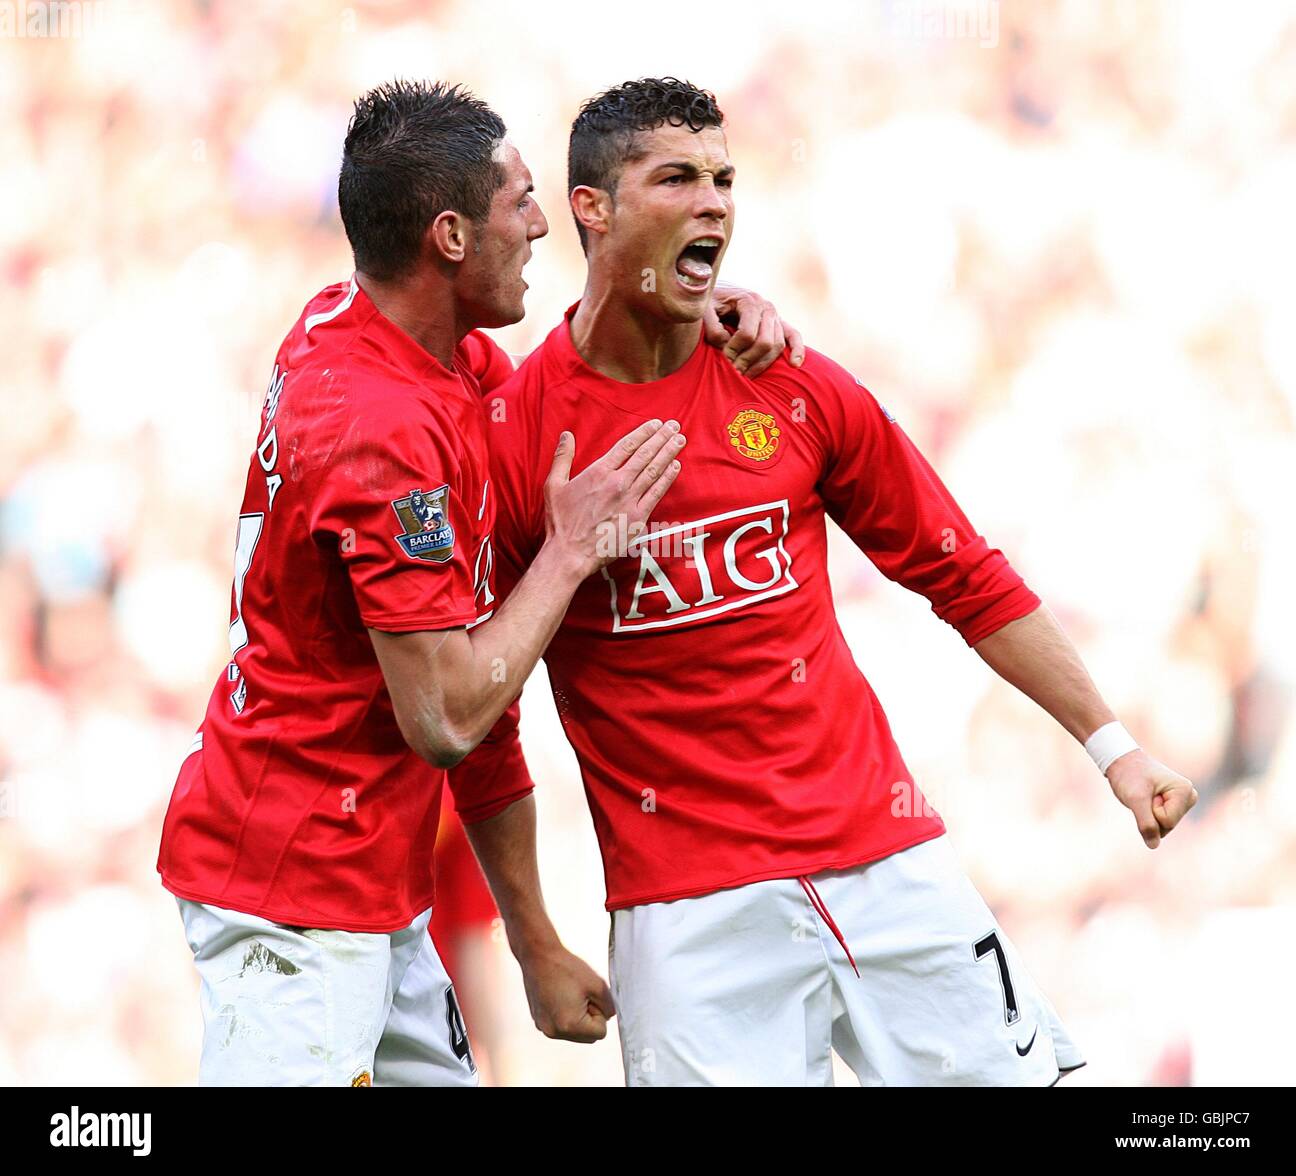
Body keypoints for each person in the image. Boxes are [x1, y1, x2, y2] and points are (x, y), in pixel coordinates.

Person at [456, 77, 1199, 1087]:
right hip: (686, 914)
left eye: (724, 177)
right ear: (594, 208)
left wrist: (1114, 749)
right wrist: (532, 936)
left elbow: (959, 571)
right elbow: (479, 709)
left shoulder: (785, 377)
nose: (715, 199)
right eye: (677, 177)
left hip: (885, 860)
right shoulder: (519, 434)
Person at [156, 80, 691, 1087]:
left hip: (368, 882)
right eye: (521, 203)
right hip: (295, 898)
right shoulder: (378, 432)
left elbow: (476, 663)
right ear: (449, 237)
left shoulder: (401, 345)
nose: (542, 225)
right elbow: (447, 715)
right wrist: (568, 556)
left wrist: (704, 327)